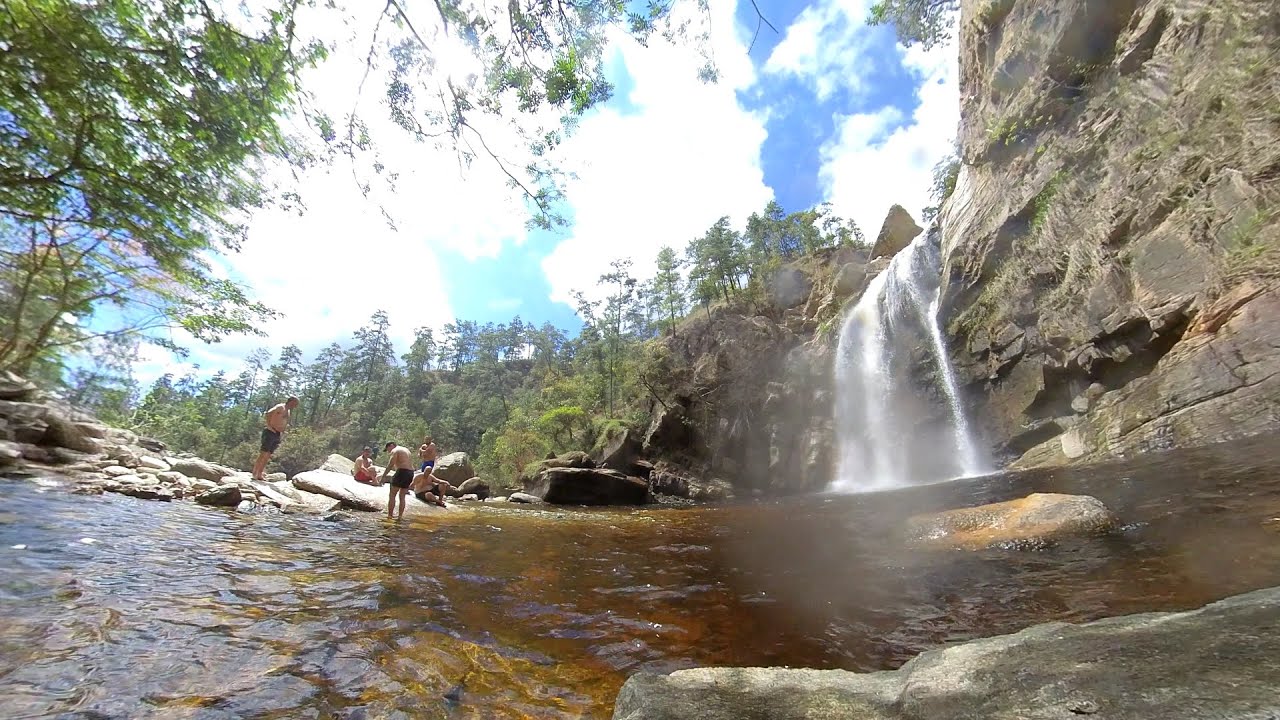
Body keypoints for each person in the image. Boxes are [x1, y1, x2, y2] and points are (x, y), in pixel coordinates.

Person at [252, 396, 299, 481]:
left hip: (277, 434)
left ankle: (260, 472)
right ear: (291, 401)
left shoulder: (288, 411)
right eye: (295, 403)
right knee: (263, 453)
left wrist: (283, 431)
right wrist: (269, 425)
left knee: (268, 454)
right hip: (270, 431)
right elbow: (268, 413)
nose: (296, 405)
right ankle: (255, 473)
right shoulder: (281, 407)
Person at [411, 436, 451, 507]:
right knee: (428, 494)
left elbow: (427, 452)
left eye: (428, 439)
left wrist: (445, 482)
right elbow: (420, 455)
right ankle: (438, 501)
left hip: (430, 461)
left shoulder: (432, 445)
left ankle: (440, 500)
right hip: (421, 491)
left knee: (442, 485)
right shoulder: (419, 476)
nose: (427, 440)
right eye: (426, 439)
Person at [380, 441, 415, 519]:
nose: (388, 452)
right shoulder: (406, 450)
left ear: (391, 446)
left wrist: (383, 476)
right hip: (410, 472)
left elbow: (391, 464)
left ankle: (390, 516)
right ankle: (400, 516)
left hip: (402, 471)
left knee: (392, 494)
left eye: (388, 449)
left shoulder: (395, 450)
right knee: (402, 496)